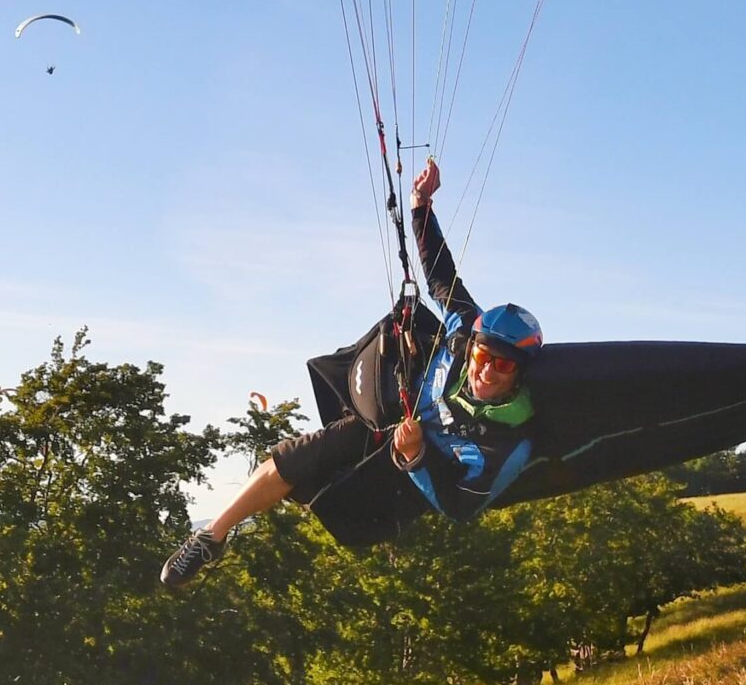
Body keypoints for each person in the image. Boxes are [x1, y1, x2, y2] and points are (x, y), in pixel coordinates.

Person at [160, 158, 542, 587]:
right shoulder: (462, 332)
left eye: (503, 365)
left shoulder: (509, 441)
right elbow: (440, 275)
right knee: (294, 458)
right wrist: (420, 206)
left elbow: (460, 506)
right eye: (482, 358)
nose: (487, 371)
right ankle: (212, 535)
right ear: (472, 348)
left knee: (335, 501)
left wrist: (417, 457)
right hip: (386, 420)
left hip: (410, 475)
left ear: (520, 372)